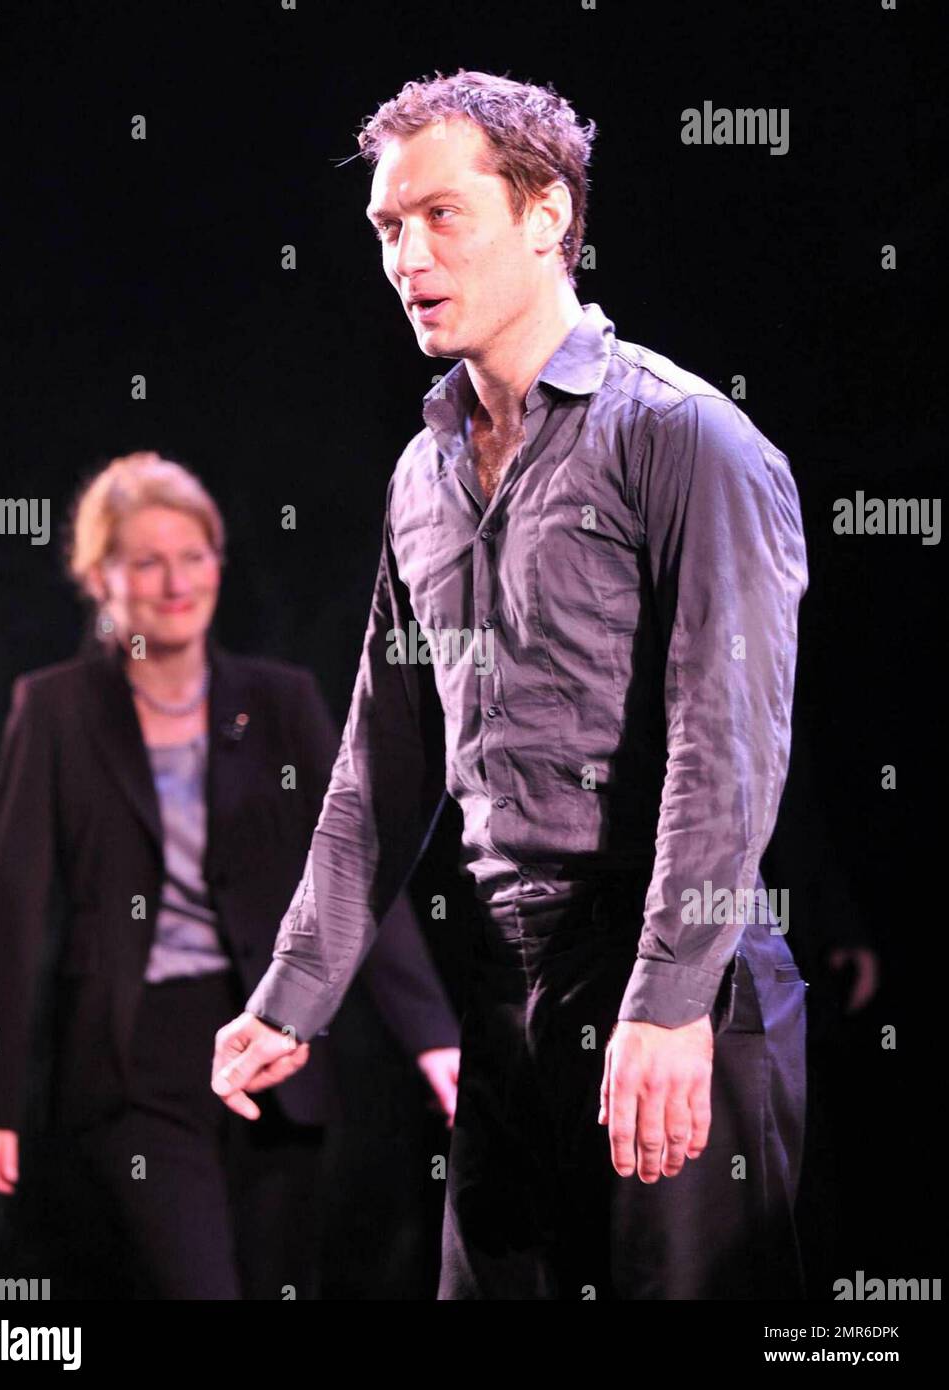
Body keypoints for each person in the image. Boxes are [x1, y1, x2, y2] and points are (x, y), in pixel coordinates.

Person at [211, 69, 810, 1300]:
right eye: (386, 226)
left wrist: (667, 1001)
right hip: (506, 987)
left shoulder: (682, 436)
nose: (404, 255)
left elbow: (726, 743)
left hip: (672, 976)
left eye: (440, 215)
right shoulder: (421, 475)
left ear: (546, 217)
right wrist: (294, 993)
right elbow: (383, 759)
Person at [0, 451, 460, 1299]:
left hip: (275, 1038)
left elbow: (358, 866)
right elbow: (12, 910)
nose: (175, 581)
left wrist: (432, 1034)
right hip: (133, 1059)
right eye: (146, 561)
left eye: (193, 556)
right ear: (98, 577)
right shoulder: (57, 709)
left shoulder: (281, 699)